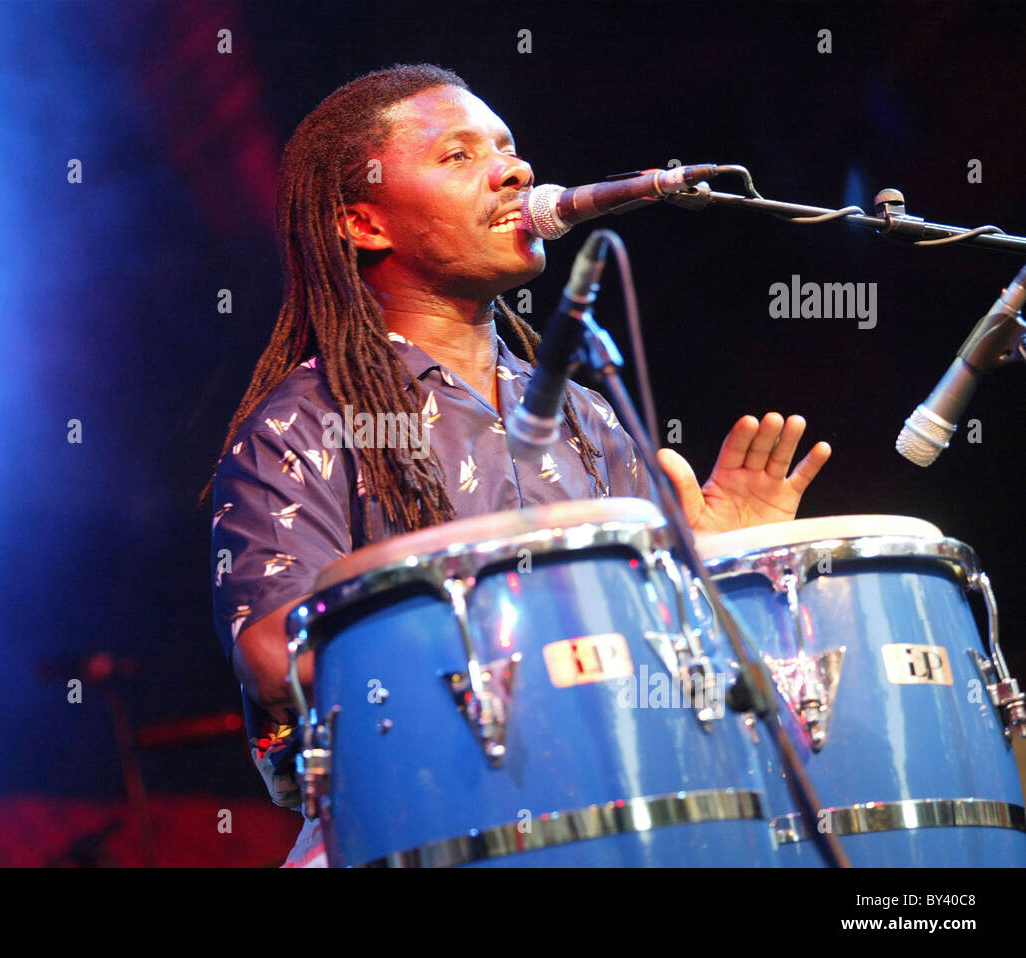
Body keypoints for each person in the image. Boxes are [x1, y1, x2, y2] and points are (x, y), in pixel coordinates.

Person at [203, 64, 831, 867]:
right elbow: (270, 653)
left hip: (618, 812)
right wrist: (500, 658)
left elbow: (672, 667)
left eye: (508, 148)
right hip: (420, 824)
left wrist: (717, 565)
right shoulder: (305, 421)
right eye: (458, 155)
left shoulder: (587, 413)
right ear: (364, 225)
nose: (516, 170)